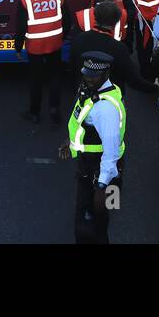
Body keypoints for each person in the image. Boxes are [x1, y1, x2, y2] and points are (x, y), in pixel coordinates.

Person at [59, 53, 125, 243]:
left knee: (90, 227)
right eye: (86, 74)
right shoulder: (92, 90)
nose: (88, 79)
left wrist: (101, 187)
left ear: (106, 74)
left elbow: (111, 151)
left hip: (97, 170)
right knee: (90, 223)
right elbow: (81, 120)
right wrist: (70, 141)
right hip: (89, 165)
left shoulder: (105, 109)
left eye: (93, 76)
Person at [15, 0, 69, 126]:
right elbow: (67, 19)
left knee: (36, 79)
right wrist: (62, 36)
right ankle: (54, 108)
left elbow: (21, 26)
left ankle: (35, 112)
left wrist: (18, 47)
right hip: (54, 43)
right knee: (54, 76)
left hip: (35, 46)